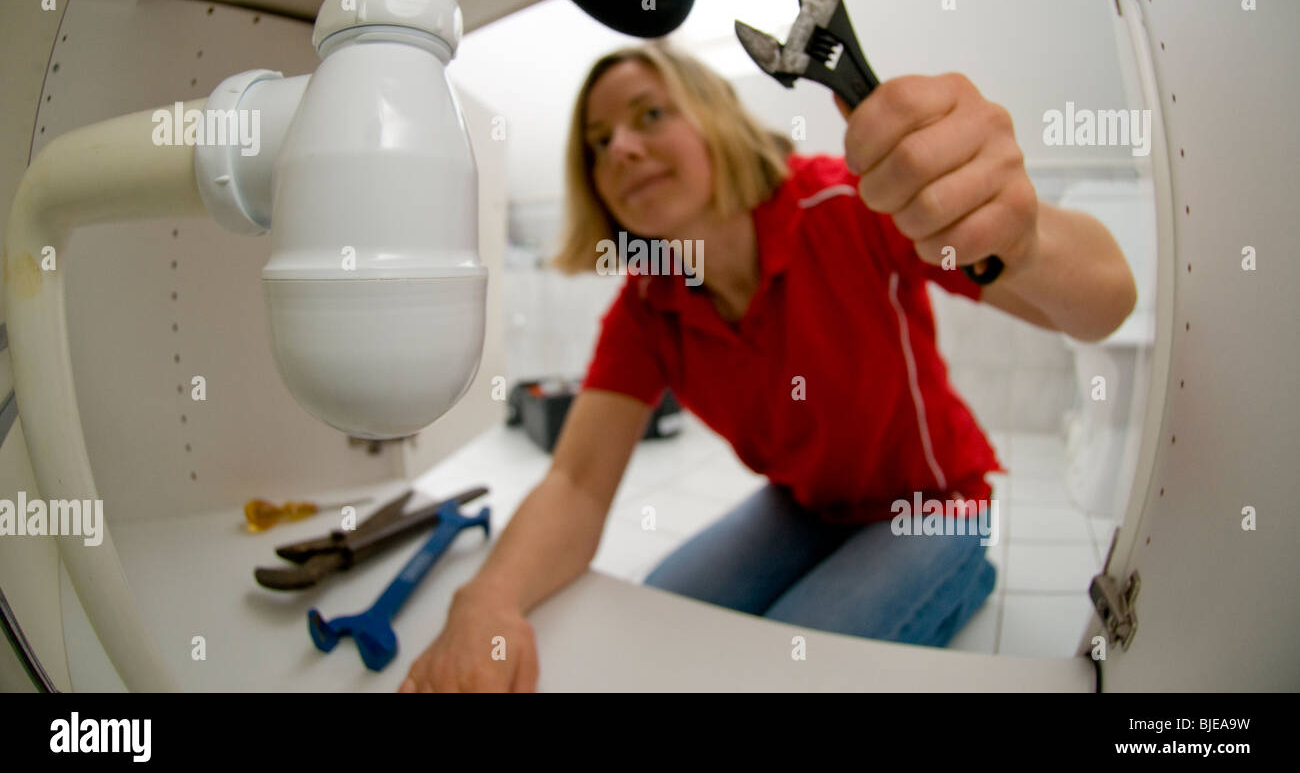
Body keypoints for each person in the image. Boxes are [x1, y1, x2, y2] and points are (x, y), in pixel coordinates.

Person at [400, 42, 1137, 692]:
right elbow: (576, 480)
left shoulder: (848, 204)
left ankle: (966, 568)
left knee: (780, 672)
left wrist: (1025, 236)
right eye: (597, 142)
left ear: (714, 114)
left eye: (649, 114)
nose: (619, 148)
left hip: (931, 500)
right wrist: (486, 599)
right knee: (656, 619)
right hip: (805, 505)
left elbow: (1103, 304)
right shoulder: (648, 304)